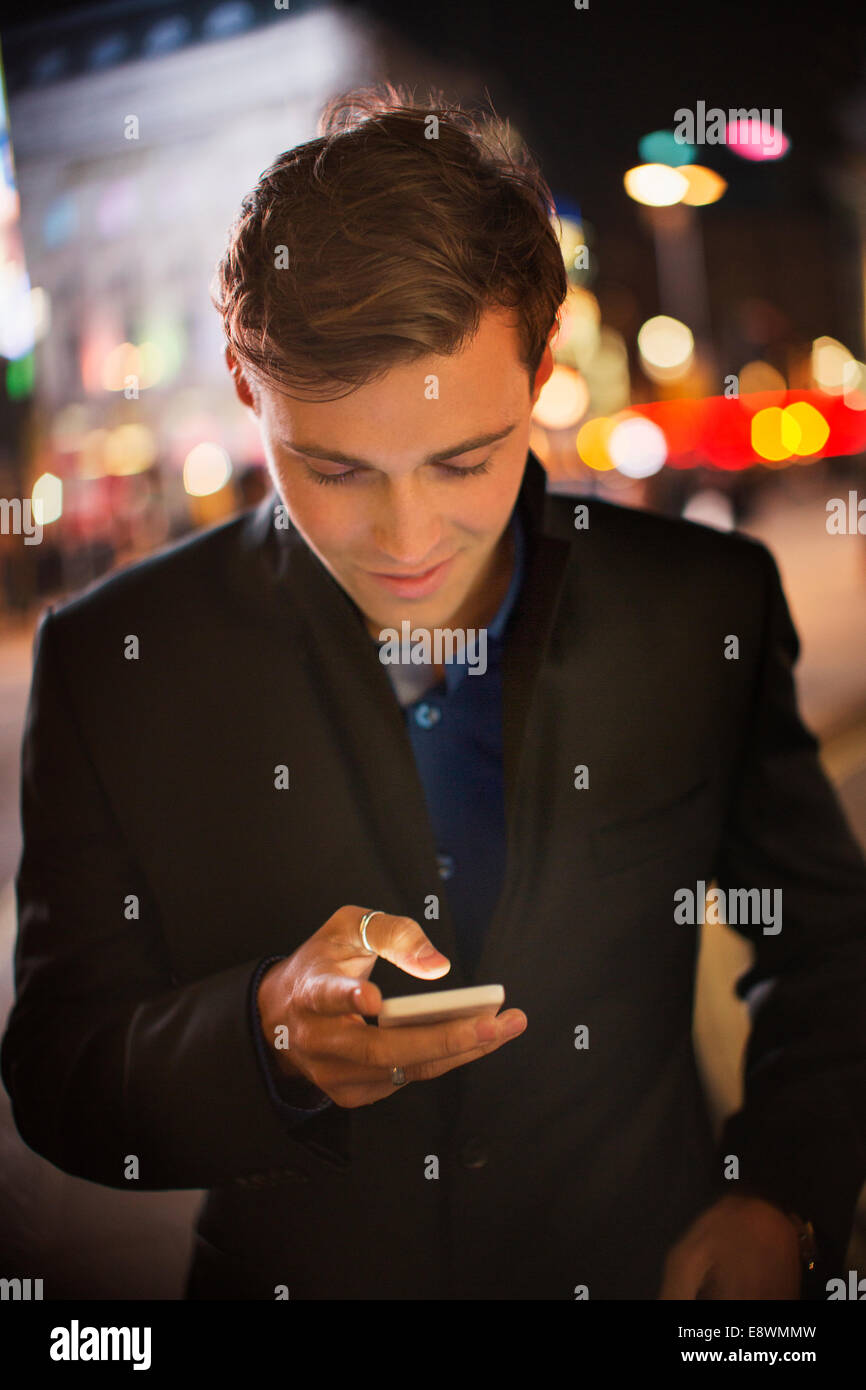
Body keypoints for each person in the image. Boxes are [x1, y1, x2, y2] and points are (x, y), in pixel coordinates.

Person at [3, 84, 866, 1301]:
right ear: (251, 393)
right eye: (335, 468)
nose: (406, 537)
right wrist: (262, 1039)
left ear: (541, 367)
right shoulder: (113, 658)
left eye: (464, 459)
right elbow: (56, 1069)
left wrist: (781, 1191)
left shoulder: (699, 608)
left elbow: (828, 945)